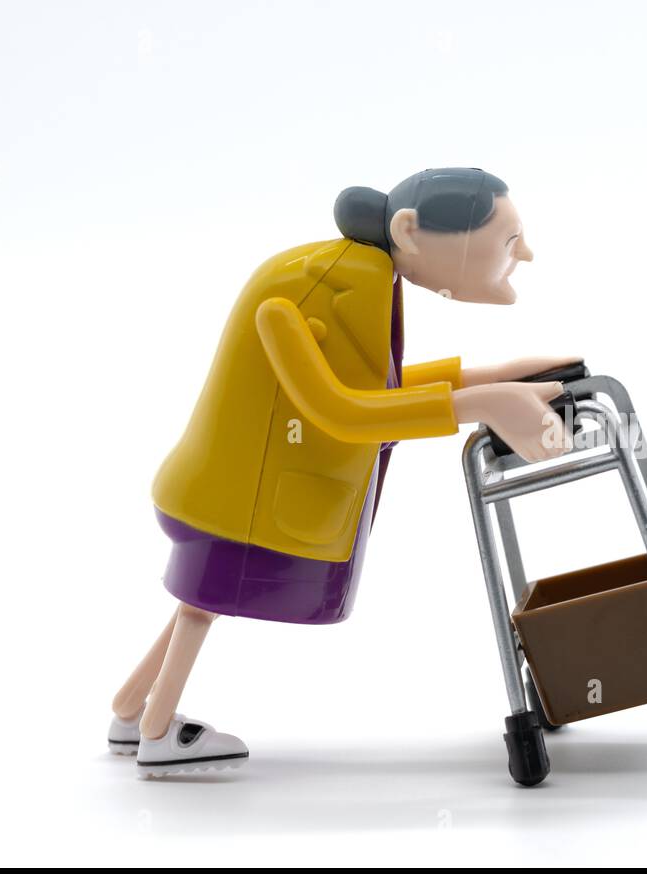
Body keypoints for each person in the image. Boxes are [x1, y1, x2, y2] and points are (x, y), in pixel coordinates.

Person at [107, 168, 578, 776]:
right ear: (410, 231)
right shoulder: (321, 287)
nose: (523, 255)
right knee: (202, 604)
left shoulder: (356, 275)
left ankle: (129, 711)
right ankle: (157, 732)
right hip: (229, 496)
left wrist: (492, 377)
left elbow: (371, 390)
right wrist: (483, 404)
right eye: (508, 241)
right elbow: (339, 413)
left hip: (219, 488)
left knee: (201, 602)